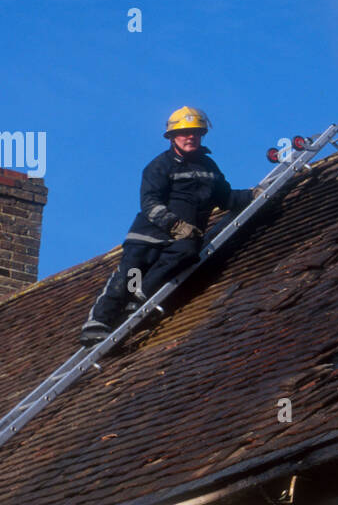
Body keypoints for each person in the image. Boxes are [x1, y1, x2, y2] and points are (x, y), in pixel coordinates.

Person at [81, 107, 257, 344]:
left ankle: (139, 299)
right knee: (131, 273)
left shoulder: (209, 168)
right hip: (148, 238)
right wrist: (175, 224)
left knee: (186, 253)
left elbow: (224, 198)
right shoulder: (160, 166)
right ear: (172, 137)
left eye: (195, 132)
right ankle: (98, 323)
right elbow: (149, 202)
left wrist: (254, 195)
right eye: (184, 133)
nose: (190, 137)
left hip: (181, 242)